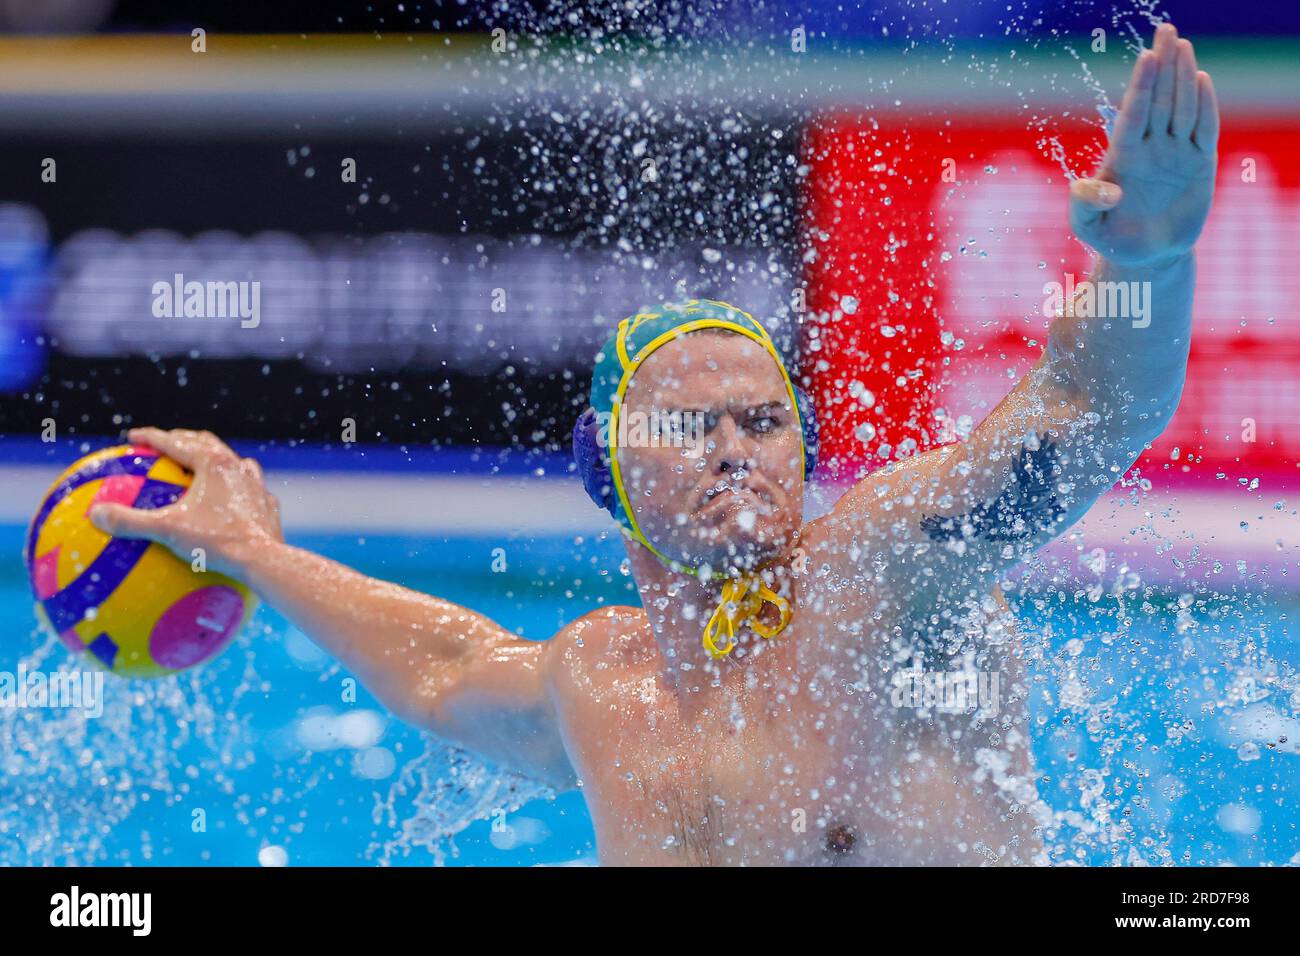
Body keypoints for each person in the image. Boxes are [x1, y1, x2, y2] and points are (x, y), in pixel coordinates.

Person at [91, 22, 1218, 865]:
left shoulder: (882, 575)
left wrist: (1147, 264)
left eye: (765, 421)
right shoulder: (599, 683)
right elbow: (443, 669)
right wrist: (256, 549)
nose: (736, 447)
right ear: (605, 474)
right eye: (688, 424)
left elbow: (1085, 414)